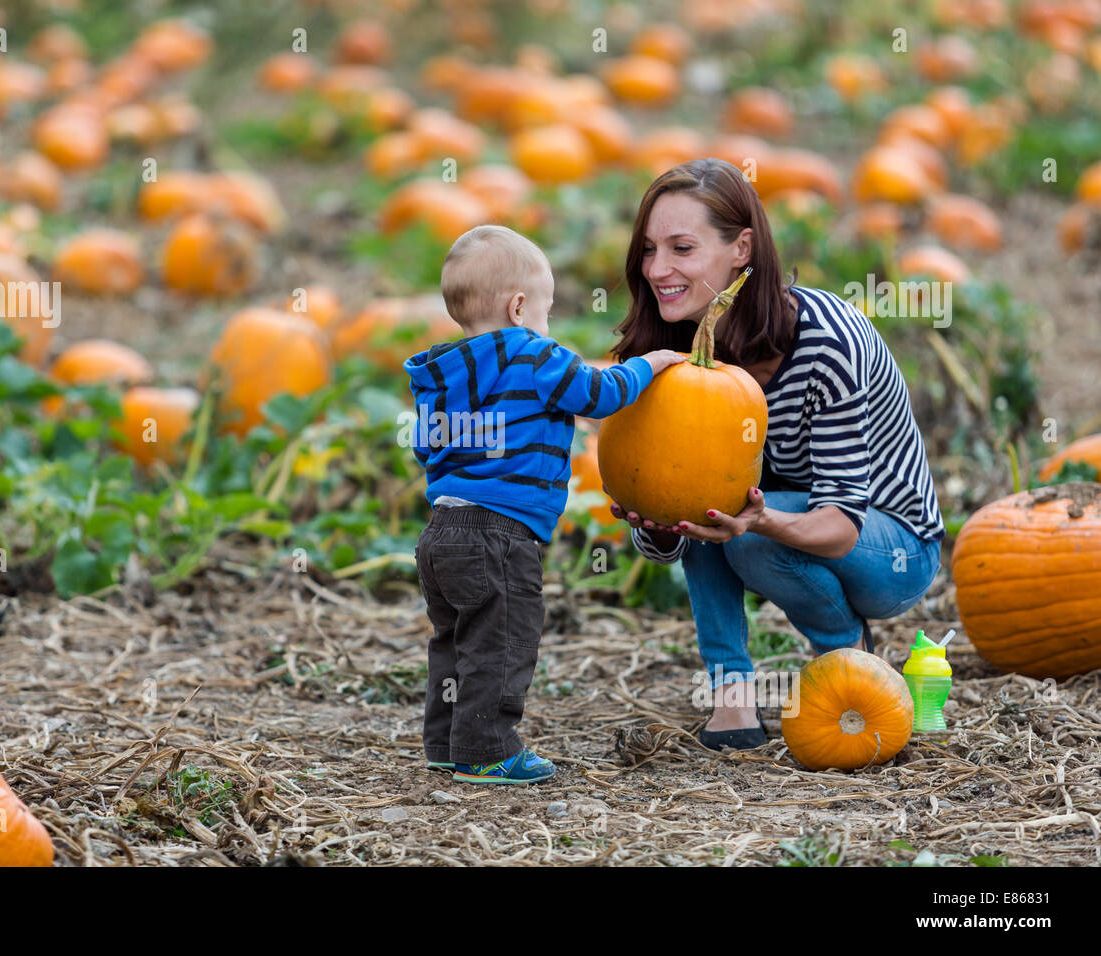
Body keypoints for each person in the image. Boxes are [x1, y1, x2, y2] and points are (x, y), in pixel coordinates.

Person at [607, 159, 944, 751]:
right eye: (649, 250)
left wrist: (758, 521)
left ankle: (848, 655)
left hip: (888, 545)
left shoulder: (828, 343)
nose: (659, 270)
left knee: (742, 526)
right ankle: (732, 699)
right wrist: (656, 524)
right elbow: (668, 530)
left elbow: (840, 526)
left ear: (741, 248)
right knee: (713, 511)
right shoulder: (669, 348)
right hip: (768, 521)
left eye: (682, 248)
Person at [404, 224, 681, 784]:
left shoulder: (441, 375)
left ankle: (444, 741)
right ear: (519, 306)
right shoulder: (533, 354)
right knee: (503, 641)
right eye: (547, 312)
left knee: (454, 641)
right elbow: (598, 396)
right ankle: (486, 751)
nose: (548, 325)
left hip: (442, 531)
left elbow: (423, 446)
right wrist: (650, 364)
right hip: (500, 532)